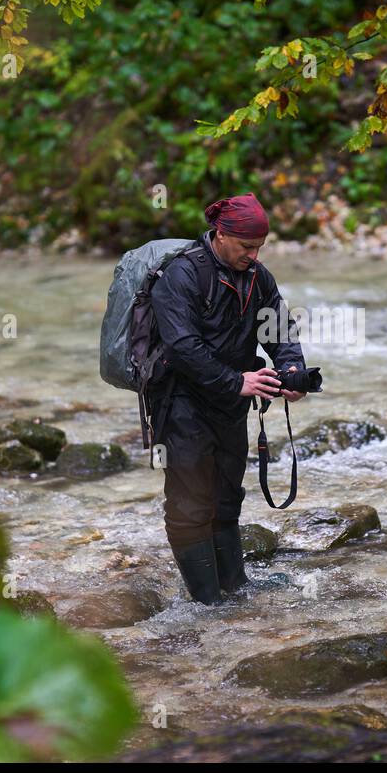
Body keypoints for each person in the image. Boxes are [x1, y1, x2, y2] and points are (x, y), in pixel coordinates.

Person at [147, 193, 308, 605]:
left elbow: (279, 327)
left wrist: (291, 372)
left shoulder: (258, 278)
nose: (254, 256)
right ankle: (207, 605)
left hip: (232, 403)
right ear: (221, 234)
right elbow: (182, 346)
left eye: (260, 248)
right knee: (190, 504)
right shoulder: (182, 276)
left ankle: (235, 591)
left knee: (226, 496)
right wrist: (236, 381)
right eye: (246, 247)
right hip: (180, 404)